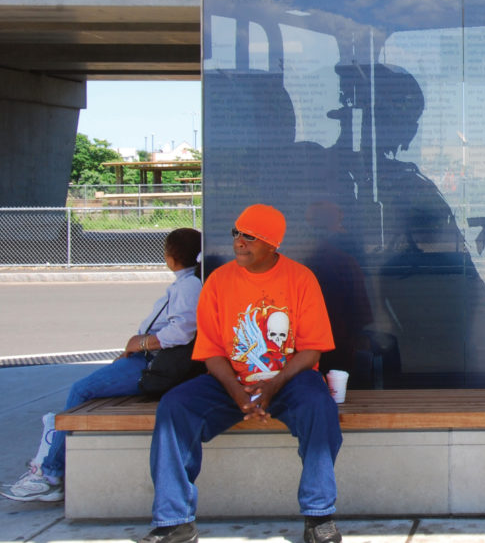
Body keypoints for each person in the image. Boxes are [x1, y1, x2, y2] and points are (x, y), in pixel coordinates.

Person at [139, 204, 342, 543]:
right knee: (174, 407)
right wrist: (238, 393)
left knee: (319, 407)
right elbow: (211, 352)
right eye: (237, 233)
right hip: (230, 380)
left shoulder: (300, 278)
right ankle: (175, 522)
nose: (239, 242)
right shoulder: (218, 282)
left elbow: (312, 350)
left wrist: (273, 385)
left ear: (273, 244)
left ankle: (319, 516)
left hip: (289, 379)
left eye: (251, 236)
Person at [2, 227, 203, 503]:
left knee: (80, 392)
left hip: (152, 365)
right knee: (78, 395)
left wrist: (141, 343)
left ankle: (50, 475)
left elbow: (182, 332)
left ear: (170, 256)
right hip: (146, 360)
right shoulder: (185, 282)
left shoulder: (190, 286)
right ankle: (49, 454)